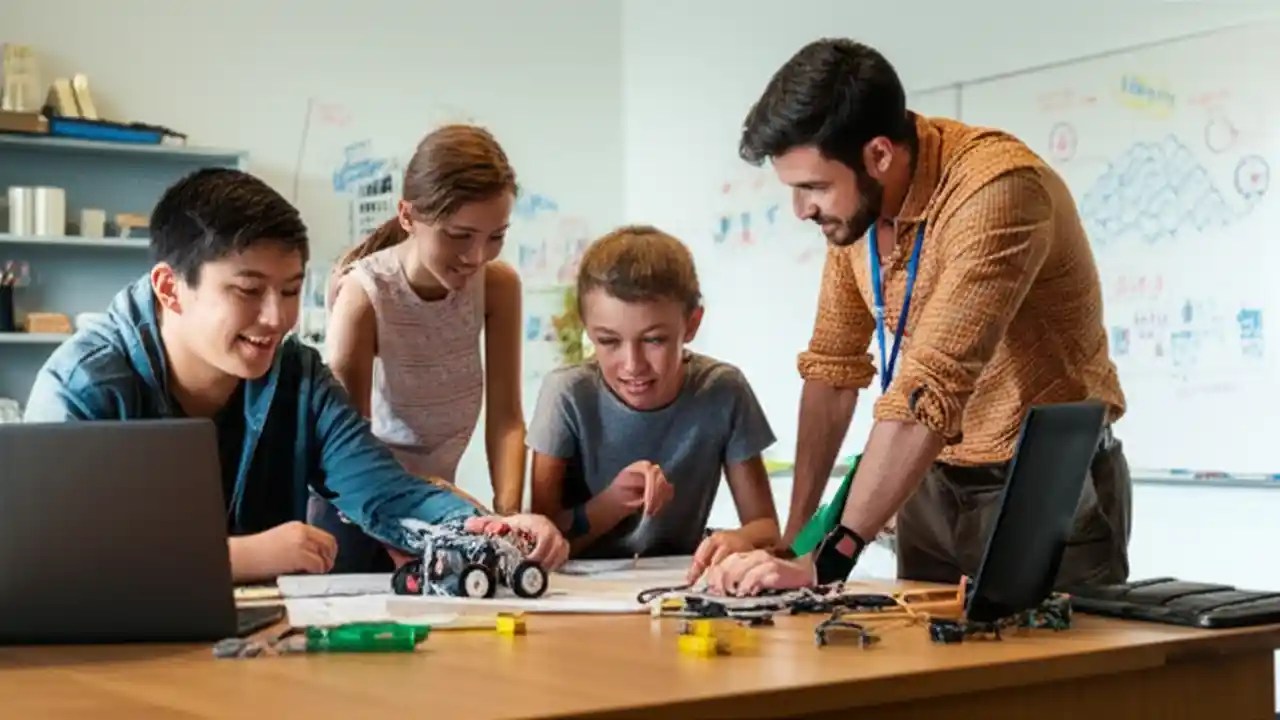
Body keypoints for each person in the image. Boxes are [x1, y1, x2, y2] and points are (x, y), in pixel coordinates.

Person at [706, 38, 1129, 596]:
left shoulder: (997, 192)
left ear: (879, 155)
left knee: (1056, 680)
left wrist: (832, 559)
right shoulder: (857, 210)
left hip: (1042, 486)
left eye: (813, 187)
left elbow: (930, 387)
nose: (801, 209)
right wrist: (796, 544)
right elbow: (833, 371)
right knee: (924, 678)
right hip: (928, 485)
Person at [23, 167, 567, 583]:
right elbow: (50, 560)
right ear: (170, 288)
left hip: (254, 656)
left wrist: (492, 529)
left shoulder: (298, 378)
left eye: (289, 291)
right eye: (248, 290)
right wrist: (238, 557)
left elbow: (388, 493)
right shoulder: (81, 387)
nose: (276, 318)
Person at [317, 125, 526, 572]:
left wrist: (507, 517)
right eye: (458, 235)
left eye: (496, 236)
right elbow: (350, 452)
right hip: (357, 510)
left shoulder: (498, 286)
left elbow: (506, 418)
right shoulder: (364, 295)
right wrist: (444, 502)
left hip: (434, 506)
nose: (477, 256)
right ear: (409, 216)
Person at [527, 225, 781, 580]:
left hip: (677, 587)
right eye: (608, 341)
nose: (633, 365)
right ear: (587, 328)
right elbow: (539, 539)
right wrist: (611, 504)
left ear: (691, 325)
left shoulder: (723, 390)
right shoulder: (566, 394)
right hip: (574, 592)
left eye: (655, 340)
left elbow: (767, 529)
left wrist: (738, 539)